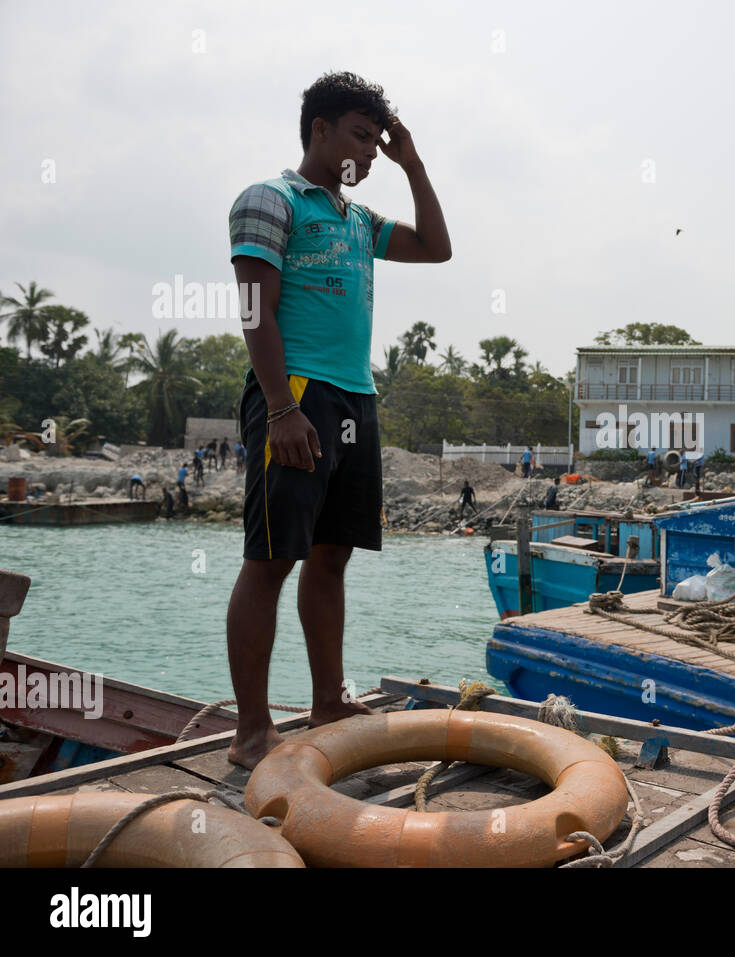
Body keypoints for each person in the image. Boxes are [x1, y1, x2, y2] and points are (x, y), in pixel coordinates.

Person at [223, 71, 451, 769]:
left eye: (379, 141)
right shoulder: (272, 199)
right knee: (272, 558)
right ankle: (251, 730)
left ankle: (326, 699)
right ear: (319, 130)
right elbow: (256, 310)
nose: (372, 151)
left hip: (356, 396)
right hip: (295, 392)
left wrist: (413, 163)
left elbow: (437, 246)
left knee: (333, 554)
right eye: (361, 134)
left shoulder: (360, 220)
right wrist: (285, 408)